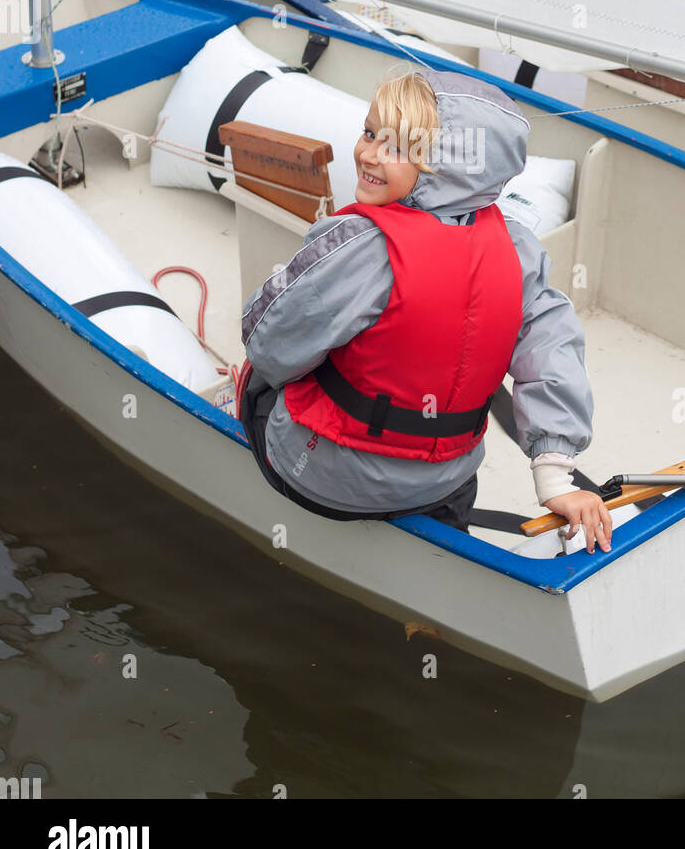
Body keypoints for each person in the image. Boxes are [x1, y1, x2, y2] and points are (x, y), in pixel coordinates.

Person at [239, 66, 612, 553]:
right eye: (369, 133)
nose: (368, 155)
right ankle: (446, 542)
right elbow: (553, 354)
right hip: (443, 479)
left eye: (393, 147)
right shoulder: (518, 249)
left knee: (255, 377)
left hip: (328, 482)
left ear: (447, 164)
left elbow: (270, 344)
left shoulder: (358, 245)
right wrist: (555, 477)